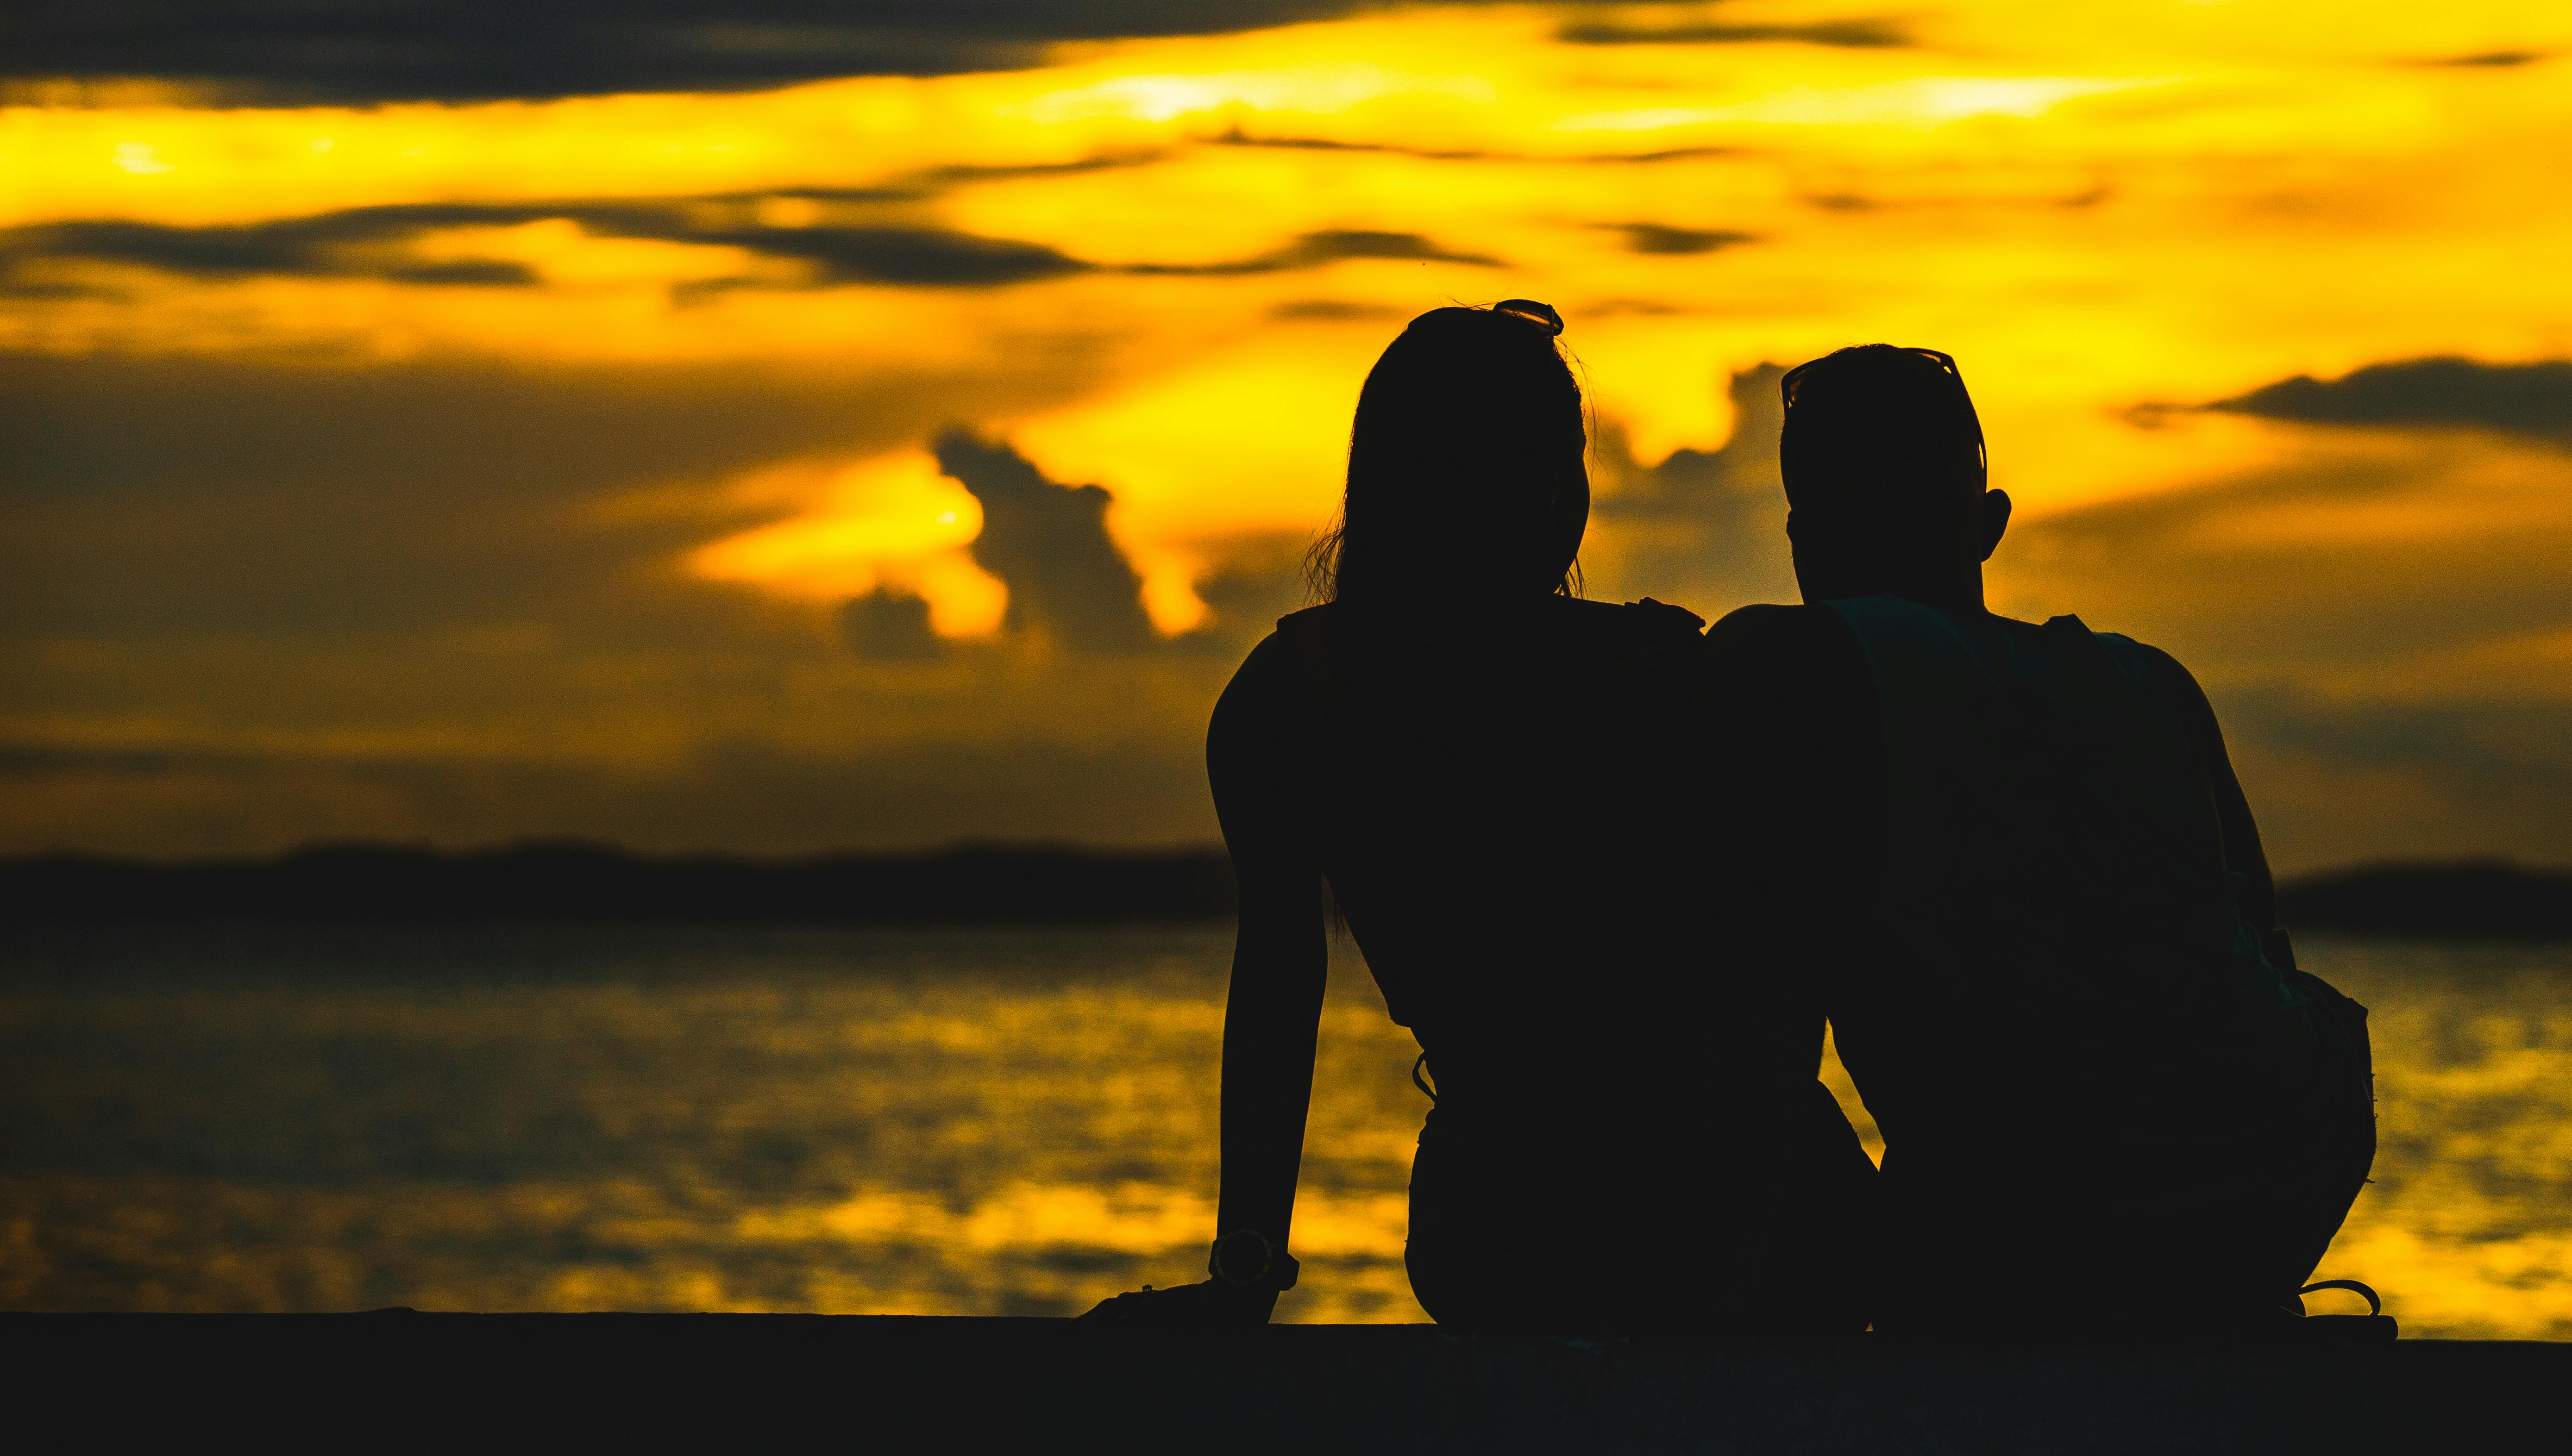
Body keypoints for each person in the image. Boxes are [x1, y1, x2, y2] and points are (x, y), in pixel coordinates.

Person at [1082, 302, 1878, 1330]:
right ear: (1551, 487)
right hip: (1754, 1212)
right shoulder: (1671, 672)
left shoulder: (1290, 702)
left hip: (1511, 1216)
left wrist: (1242, 1280)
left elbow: (1279, 998)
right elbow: (1781, 982)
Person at [1706, 344, 2377, 1332]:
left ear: (1804, 540)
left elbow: (1740, 1024)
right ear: (1986, 528)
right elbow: (2260, 951)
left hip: (2021, 1233)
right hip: (2263, 1198)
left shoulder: (1790, 666)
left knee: (1724, 1087)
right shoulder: (2150, 683)